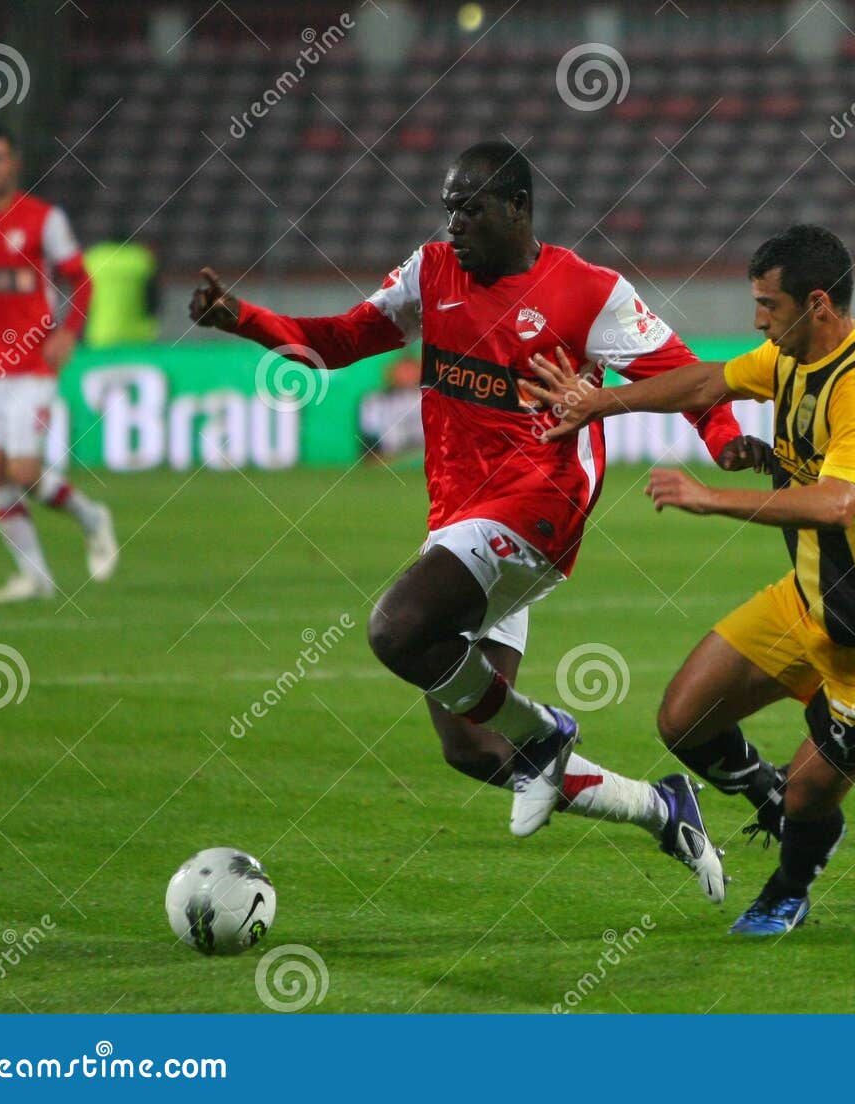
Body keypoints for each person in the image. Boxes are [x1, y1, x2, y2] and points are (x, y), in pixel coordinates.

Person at [190, 140, 763, 902]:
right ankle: (661, 809)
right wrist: (243, 319)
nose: (453, 223)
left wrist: (724, 442)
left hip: (540, 501)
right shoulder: (432, 273)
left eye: (471, 207)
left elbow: (685, 373)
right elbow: (341, 342)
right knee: (470, 746)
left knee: (396, 630)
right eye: (447, 207)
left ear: (518, 208)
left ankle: (546, 732)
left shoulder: (587, 292)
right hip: (460, 511)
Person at [523, 224, 855, 934]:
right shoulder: (788, 359)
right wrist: (599, 402)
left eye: (769, 305)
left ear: (817, 304)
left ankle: (789, 885)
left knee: (811, 799)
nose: (758, 319)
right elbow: (704, 379)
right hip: (812, 600)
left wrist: (707, 498)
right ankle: (770, 794)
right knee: (683, 719)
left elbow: (836, 502)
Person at [0, 125, 118, 602]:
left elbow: (81, 282)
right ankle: (35, 576)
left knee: (23, 471)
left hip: (32, 364)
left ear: (13, 164)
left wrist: (69, 333)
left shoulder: (43, 220)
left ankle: (91, 516)